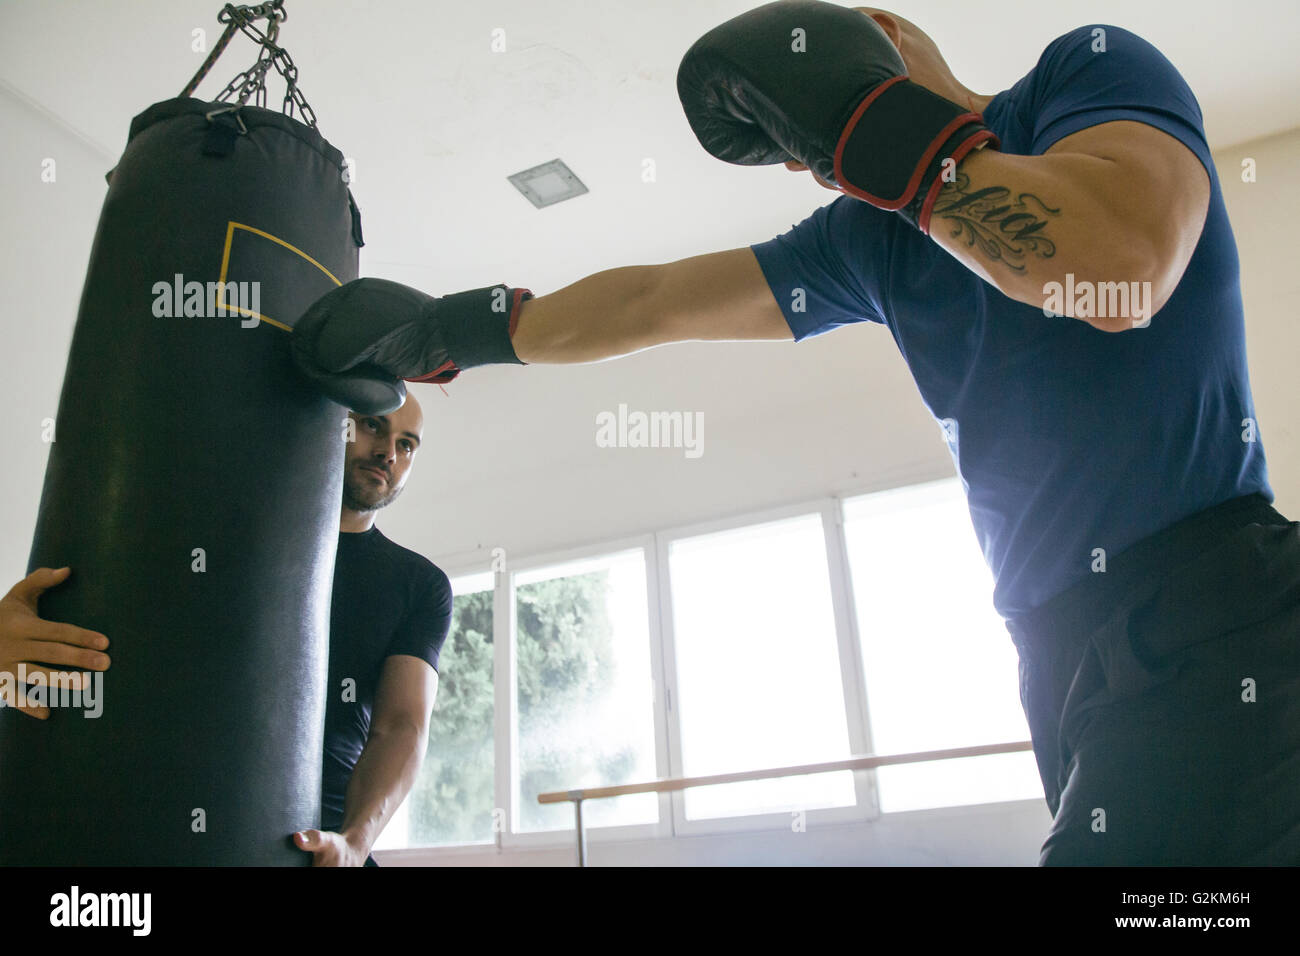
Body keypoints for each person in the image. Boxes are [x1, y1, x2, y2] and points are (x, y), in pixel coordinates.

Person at [290, 2, 1299, 864]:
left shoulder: (1085, 71)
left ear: (891, 36)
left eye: (811, 128)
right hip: (1054, 652)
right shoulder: (872, 238)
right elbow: (654, 301)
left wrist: (878, 130)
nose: (816, 164)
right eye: (803, 147)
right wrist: (447, 330)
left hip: (1211, 603)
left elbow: (1118, 265)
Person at [0, 393, 450, 867]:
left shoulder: (419, 585)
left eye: (407, 444)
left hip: (319, 839)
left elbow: (402, 725)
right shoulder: (204, 532)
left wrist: (356, 843)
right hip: (157, 820)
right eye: (373, 426)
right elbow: (87, 658)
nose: (388, 453)